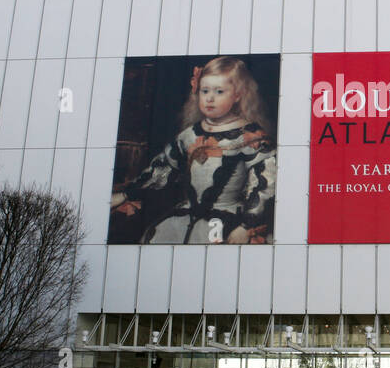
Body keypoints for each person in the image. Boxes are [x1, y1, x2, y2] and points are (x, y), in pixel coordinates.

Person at [110, 56, 277, 243]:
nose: (210, 98)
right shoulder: (189, 135)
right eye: (205, 91)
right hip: (185, 217)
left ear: (237, 95)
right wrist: (126, 194)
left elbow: (264, 185)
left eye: (219, 91)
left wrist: (246, 225)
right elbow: (162, 169)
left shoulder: (251, 137)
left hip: (229, 220)